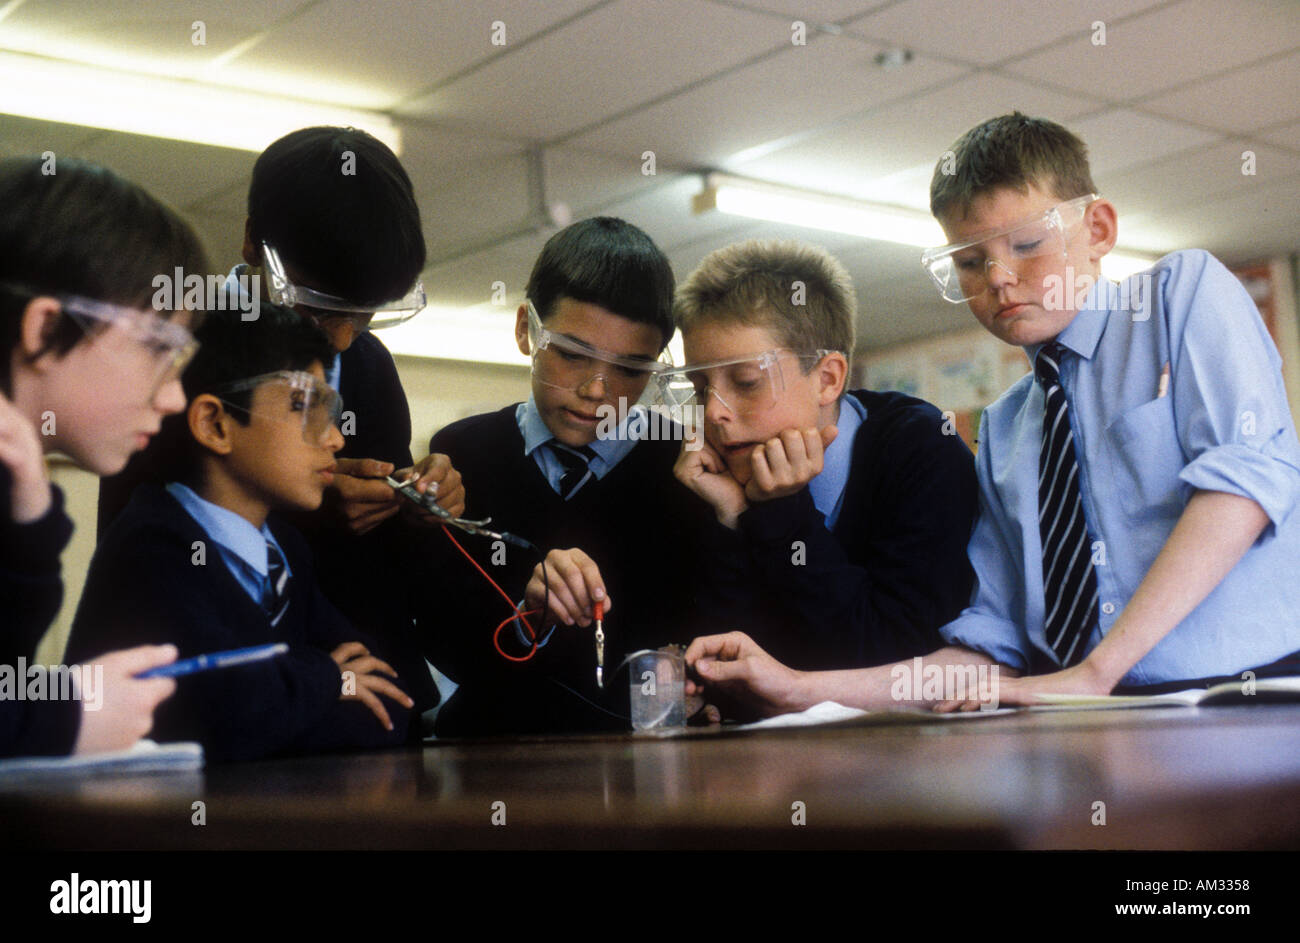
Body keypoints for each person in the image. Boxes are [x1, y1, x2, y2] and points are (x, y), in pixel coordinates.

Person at [685, 112, 1300, 716]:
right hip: (1093, 717)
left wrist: (1094, 673)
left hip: (1241, 699)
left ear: (1100, 229)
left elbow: (1241, 485)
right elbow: (990, 649)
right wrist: (799, 688)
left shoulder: (1179, 296)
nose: (1000, 279)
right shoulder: (1006, 428)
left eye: (1027, 244)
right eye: (970, 263)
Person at [99, 126, 462, 723]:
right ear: (251, 242)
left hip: (362, 688)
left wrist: (418, 509)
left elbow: (393, 568)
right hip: (223, 691)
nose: (340, 339)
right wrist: (318, 509)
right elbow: (141, 544)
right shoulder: (177, 348)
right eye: (318, 309)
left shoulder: (368, 367)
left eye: (362, 316)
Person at [68, 305, 415, 761]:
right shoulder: (152, 548)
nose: (336, 439)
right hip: (147, 826)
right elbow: (216, 717)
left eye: (330, 411)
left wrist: (284, 693)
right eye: (304, 406)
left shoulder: (286, 550)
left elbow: (388, 700)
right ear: (215, 424)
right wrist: (327, 678)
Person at [422, 216, 711, 735]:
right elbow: (446, 643)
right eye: (574, 355)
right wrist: (528, 618)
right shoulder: (463, 453)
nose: (597, 391)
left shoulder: (688, 466)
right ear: (524, 331)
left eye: (629, 369)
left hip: (646, 771)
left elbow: (708, 635)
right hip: (490, 756)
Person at [670, 239, 977, 671]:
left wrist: (781, 512)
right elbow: (724, 670)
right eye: (701, 390)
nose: (714, 412)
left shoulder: (922, 451)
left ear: (828, 380)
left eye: (745, 381)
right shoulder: (709, 475)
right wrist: (733, 519)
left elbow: (891, 656)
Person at [0, 156, 188, 756]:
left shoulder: (16, 479)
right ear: (46, 329)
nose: (175, 395)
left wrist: (28, 520)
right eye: (158, 347)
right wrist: (69, 718)